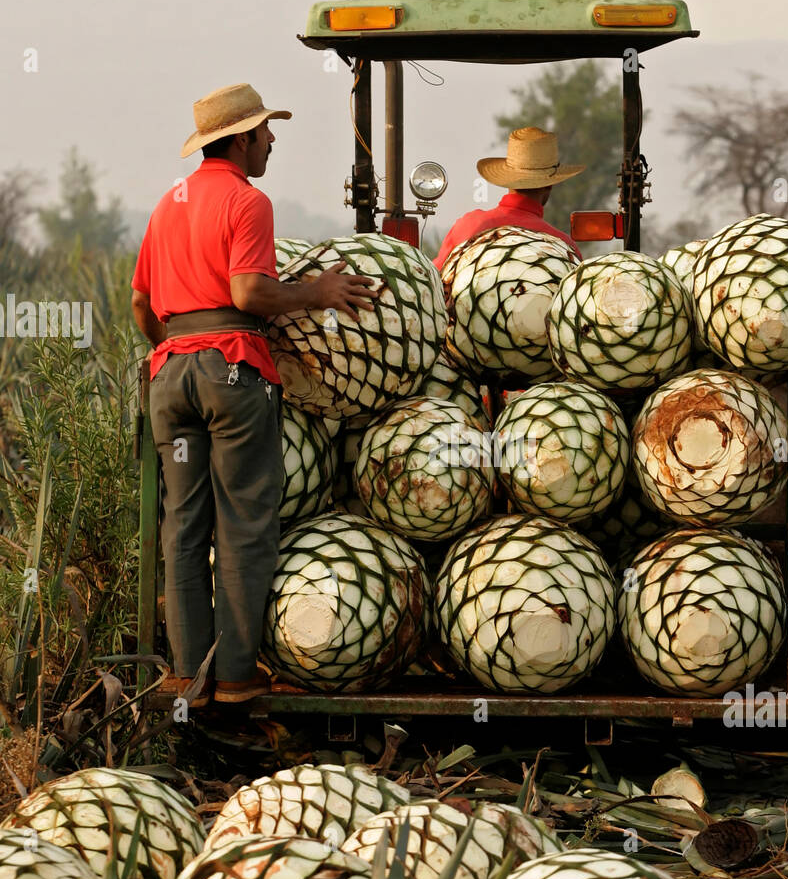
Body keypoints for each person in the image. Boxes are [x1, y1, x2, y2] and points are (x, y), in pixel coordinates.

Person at [131, 82, 375, 707]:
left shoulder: (167, 203)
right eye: (265, 131)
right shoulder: (247, 200)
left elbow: (140, 301)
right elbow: (249, 295)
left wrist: (172, 349)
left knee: (183, 523)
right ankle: (236, 677)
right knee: (242, 523)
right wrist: (316, 294)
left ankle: (190, 674)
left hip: (171, 379)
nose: (272, 139)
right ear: (240, 139)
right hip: (231, 374)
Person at [433, 126, 584, 269]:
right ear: (549, 185)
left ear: (507, 180)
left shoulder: (468, 226)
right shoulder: (565, 248)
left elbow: (436, 282)